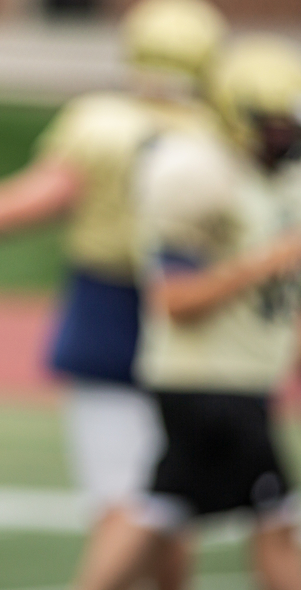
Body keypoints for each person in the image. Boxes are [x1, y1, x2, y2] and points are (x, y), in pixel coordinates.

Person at [0, 0, 225, 587]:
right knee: (168, 499)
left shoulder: (101, 123)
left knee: (121, 497)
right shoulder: (217, 136)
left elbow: (31, 202)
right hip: (197, 318)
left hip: (110, 312)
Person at [75, 35, 301, 590]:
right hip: (207, 380)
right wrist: (266, 261)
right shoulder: (196, 172)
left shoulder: (272, 177)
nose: (281, 136)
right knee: (274, 519)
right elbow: (174, 300)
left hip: (240, 378)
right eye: (269, 124)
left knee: (162, 509)